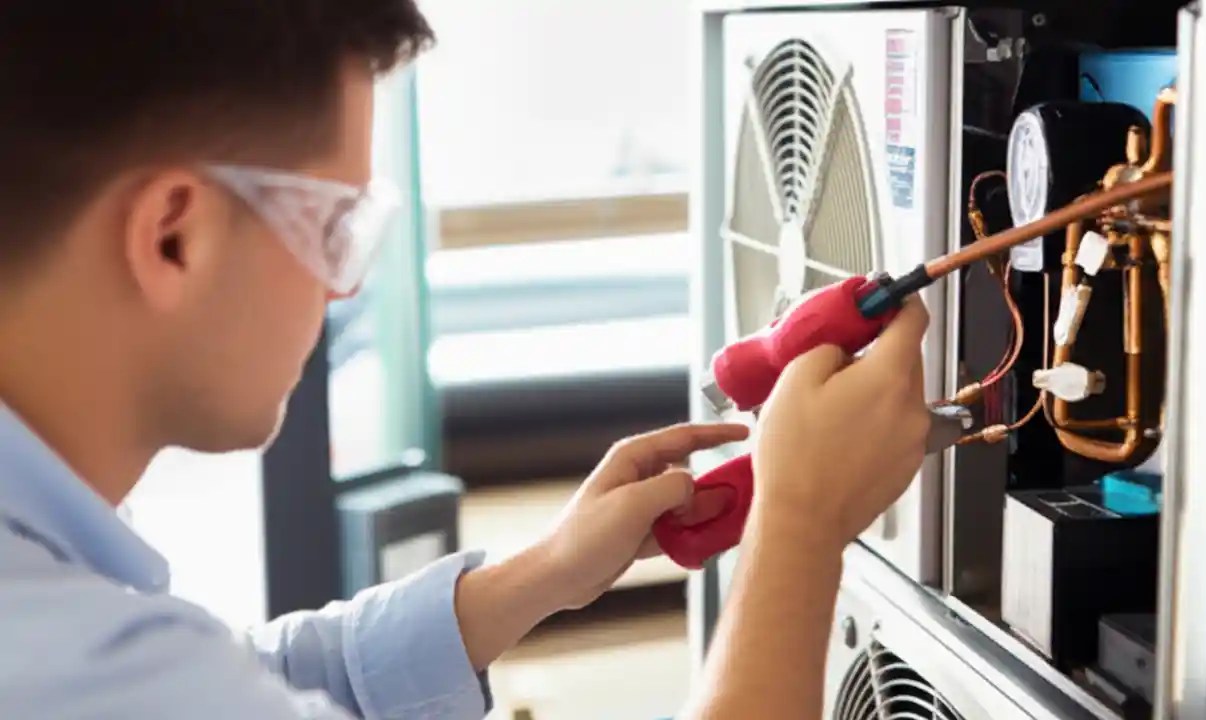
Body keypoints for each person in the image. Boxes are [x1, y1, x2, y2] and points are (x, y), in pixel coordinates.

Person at [0, 3, 931, 719]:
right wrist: (801, 530)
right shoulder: (78, 672)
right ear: (173, 237)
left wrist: (544, 574)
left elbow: (246, 672)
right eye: (333, 227)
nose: (341, 292)